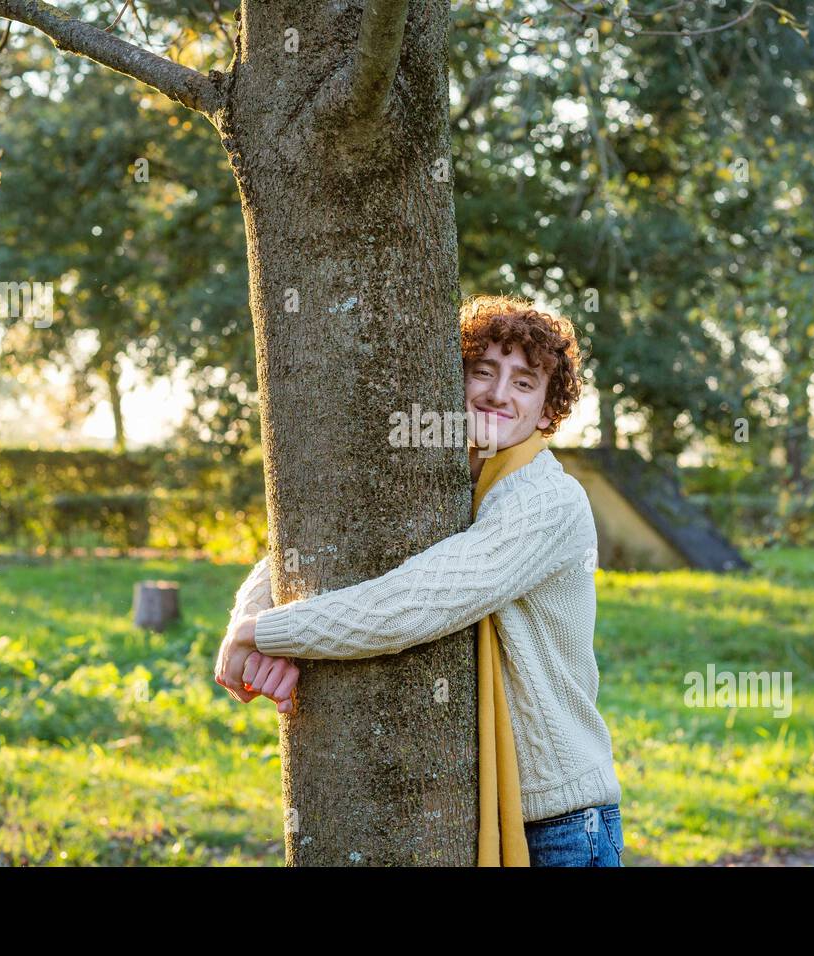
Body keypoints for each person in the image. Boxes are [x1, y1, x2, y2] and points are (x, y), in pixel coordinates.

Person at [213, 294, 624, 867]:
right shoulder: (445, 481)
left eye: (525, 382)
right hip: (485, 812)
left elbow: (418, 600)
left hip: (557, 822)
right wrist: (248, 619)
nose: (497, 393)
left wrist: (270, 632)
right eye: (482, 371)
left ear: (547, 410)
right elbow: (324, 544)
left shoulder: (545, 498)